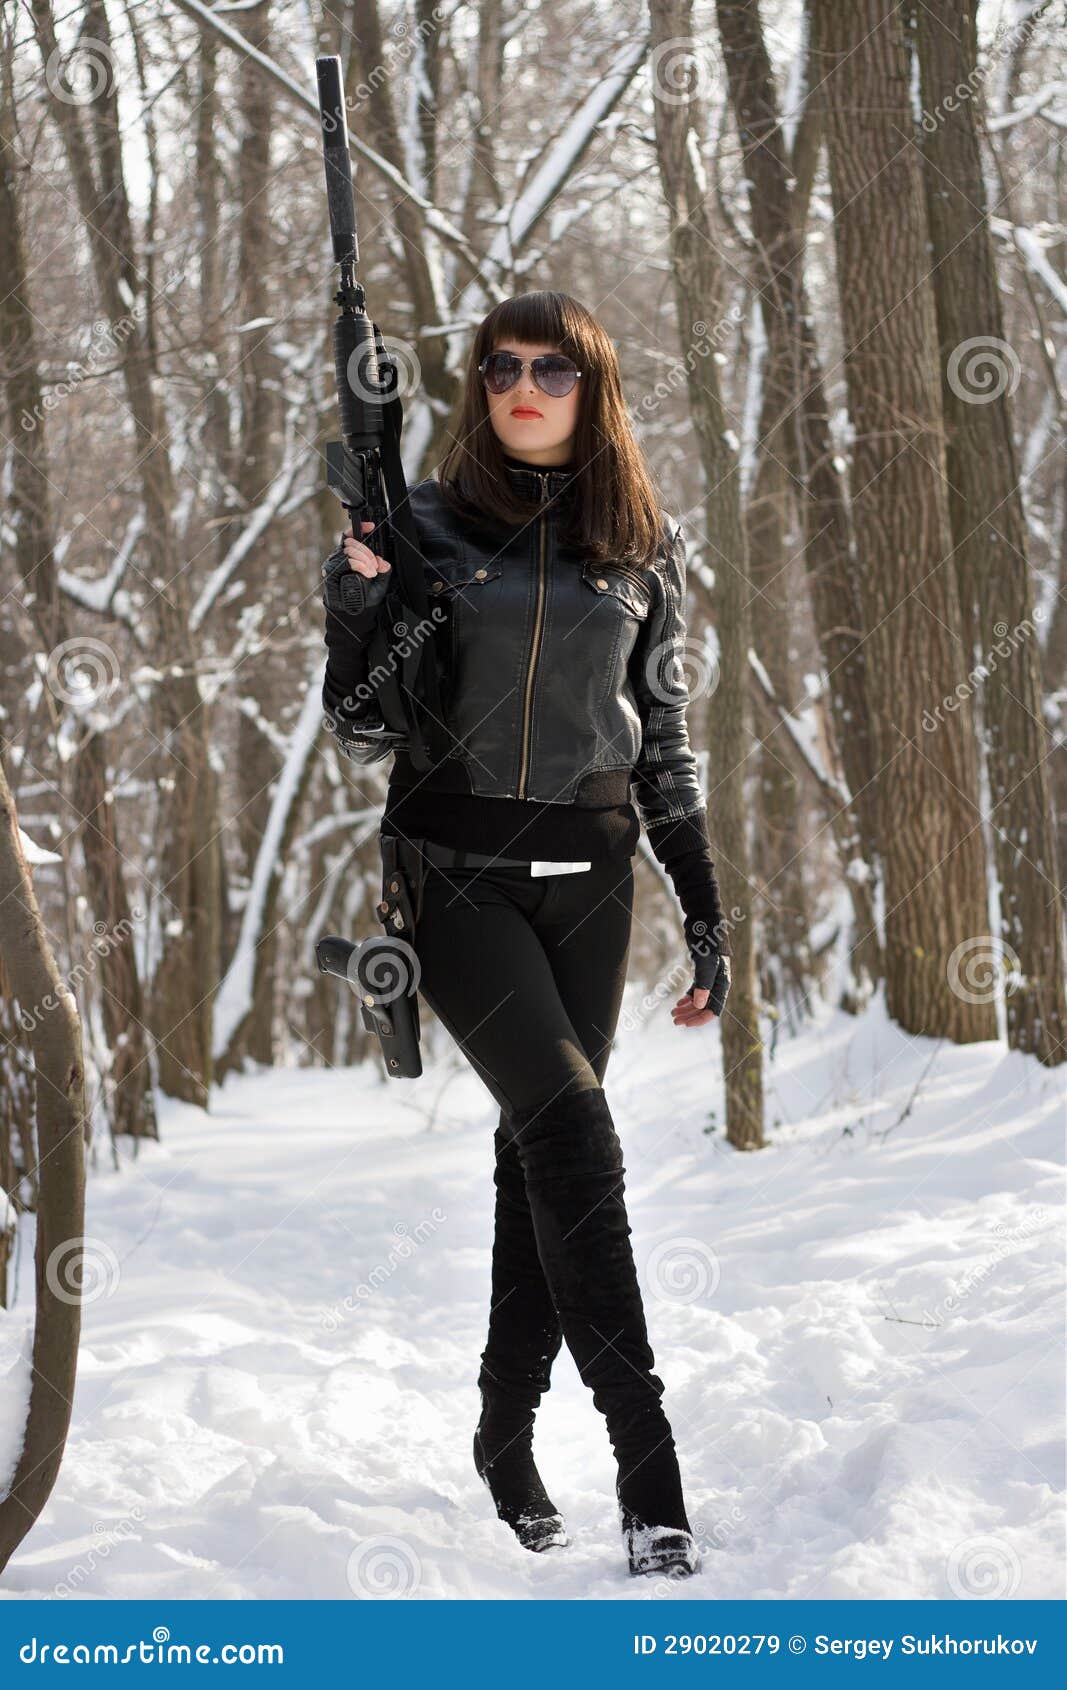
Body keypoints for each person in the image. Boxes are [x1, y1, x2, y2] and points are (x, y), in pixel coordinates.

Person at [320, 290, 731, 1579]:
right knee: (577, 1141)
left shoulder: (645, 546)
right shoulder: (426, 525)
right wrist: (357, 604)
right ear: (481, 386)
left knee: (534, 1172)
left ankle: (504, 1440)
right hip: (458, 877)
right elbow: (363, 726)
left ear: (592, 386)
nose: (526, 385)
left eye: (554, 367)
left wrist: (704, 908)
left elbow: (664, 743)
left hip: (595, 881)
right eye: (503, 367)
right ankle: (650, 1478)